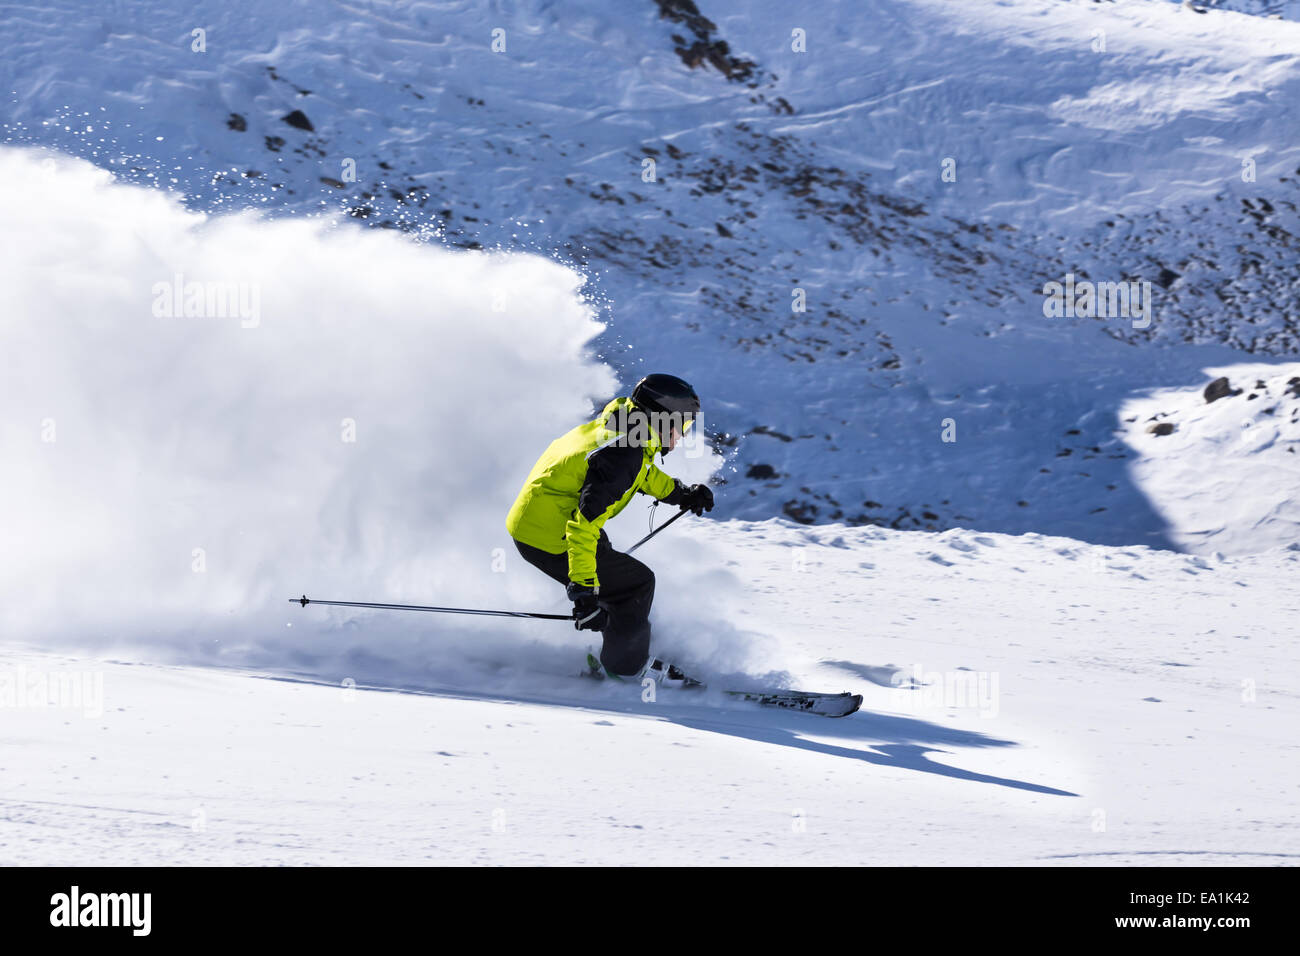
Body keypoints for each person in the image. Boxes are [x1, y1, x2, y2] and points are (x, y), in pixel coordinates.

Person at [506, 374, 714, 678]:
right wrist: (583, 593)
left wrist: (682, 493)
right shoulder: (624, 453)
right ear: (661, 418)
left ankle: (617, 648)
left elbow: (640, 473)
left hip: (542, 520)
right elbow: (583, 526)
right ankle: (627, 668)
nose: (682, 436)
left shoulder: (624, 429)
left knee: (612, 572)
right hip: (548, 535)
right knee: (635, 584)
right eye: (682, 425)